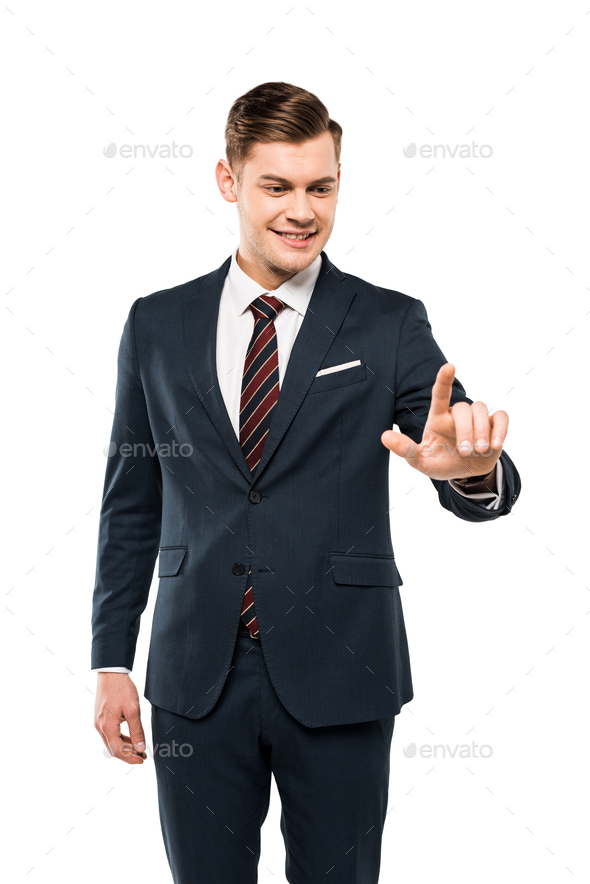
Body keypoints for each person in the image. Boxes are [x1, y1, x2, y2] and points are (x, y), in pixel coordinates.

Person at [92, 80, 521, 883]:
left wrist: (472, 470)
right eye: (277, 187)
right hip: (194, 677)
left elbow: (453, 437)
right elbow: (130, 503)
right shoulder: (156, 323)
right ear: (229, 181)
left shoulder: (388, 323)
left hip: (342, 669)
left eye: (321, 187)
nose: (302, 210)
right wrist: (110, 658)